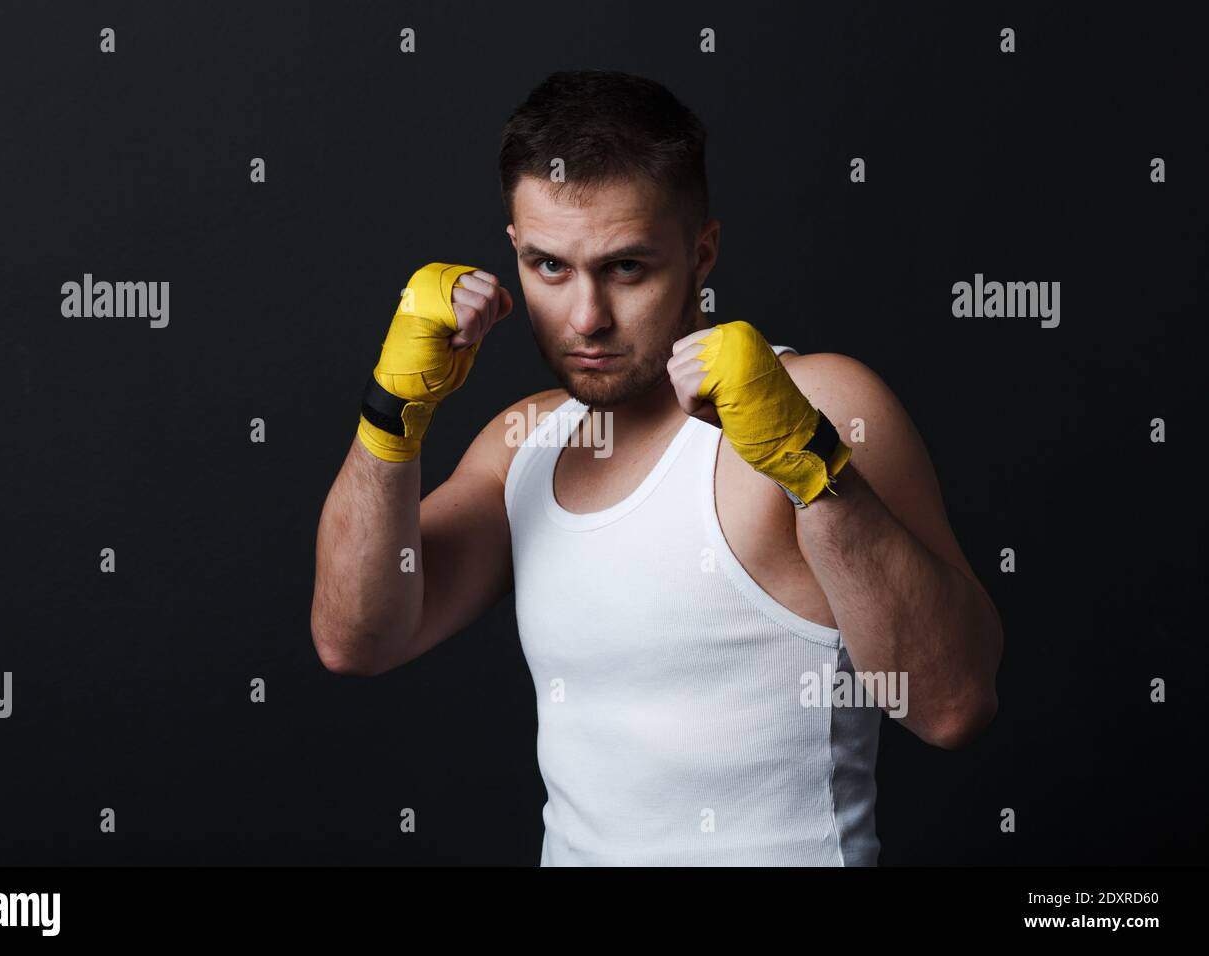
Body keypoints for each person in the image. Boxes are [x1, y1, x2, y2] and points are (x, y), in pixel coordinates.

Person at [311, 69, 1003, 866]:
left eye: (627, 268)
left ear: (701, 251)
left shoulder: (820, 399)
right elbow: (354, 639)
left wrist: (814, 468)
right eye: (550, 267)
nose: (587, 317)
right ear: (512, 249)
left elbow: (954, 705)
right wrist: (391, 415)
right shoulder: (524, 447)